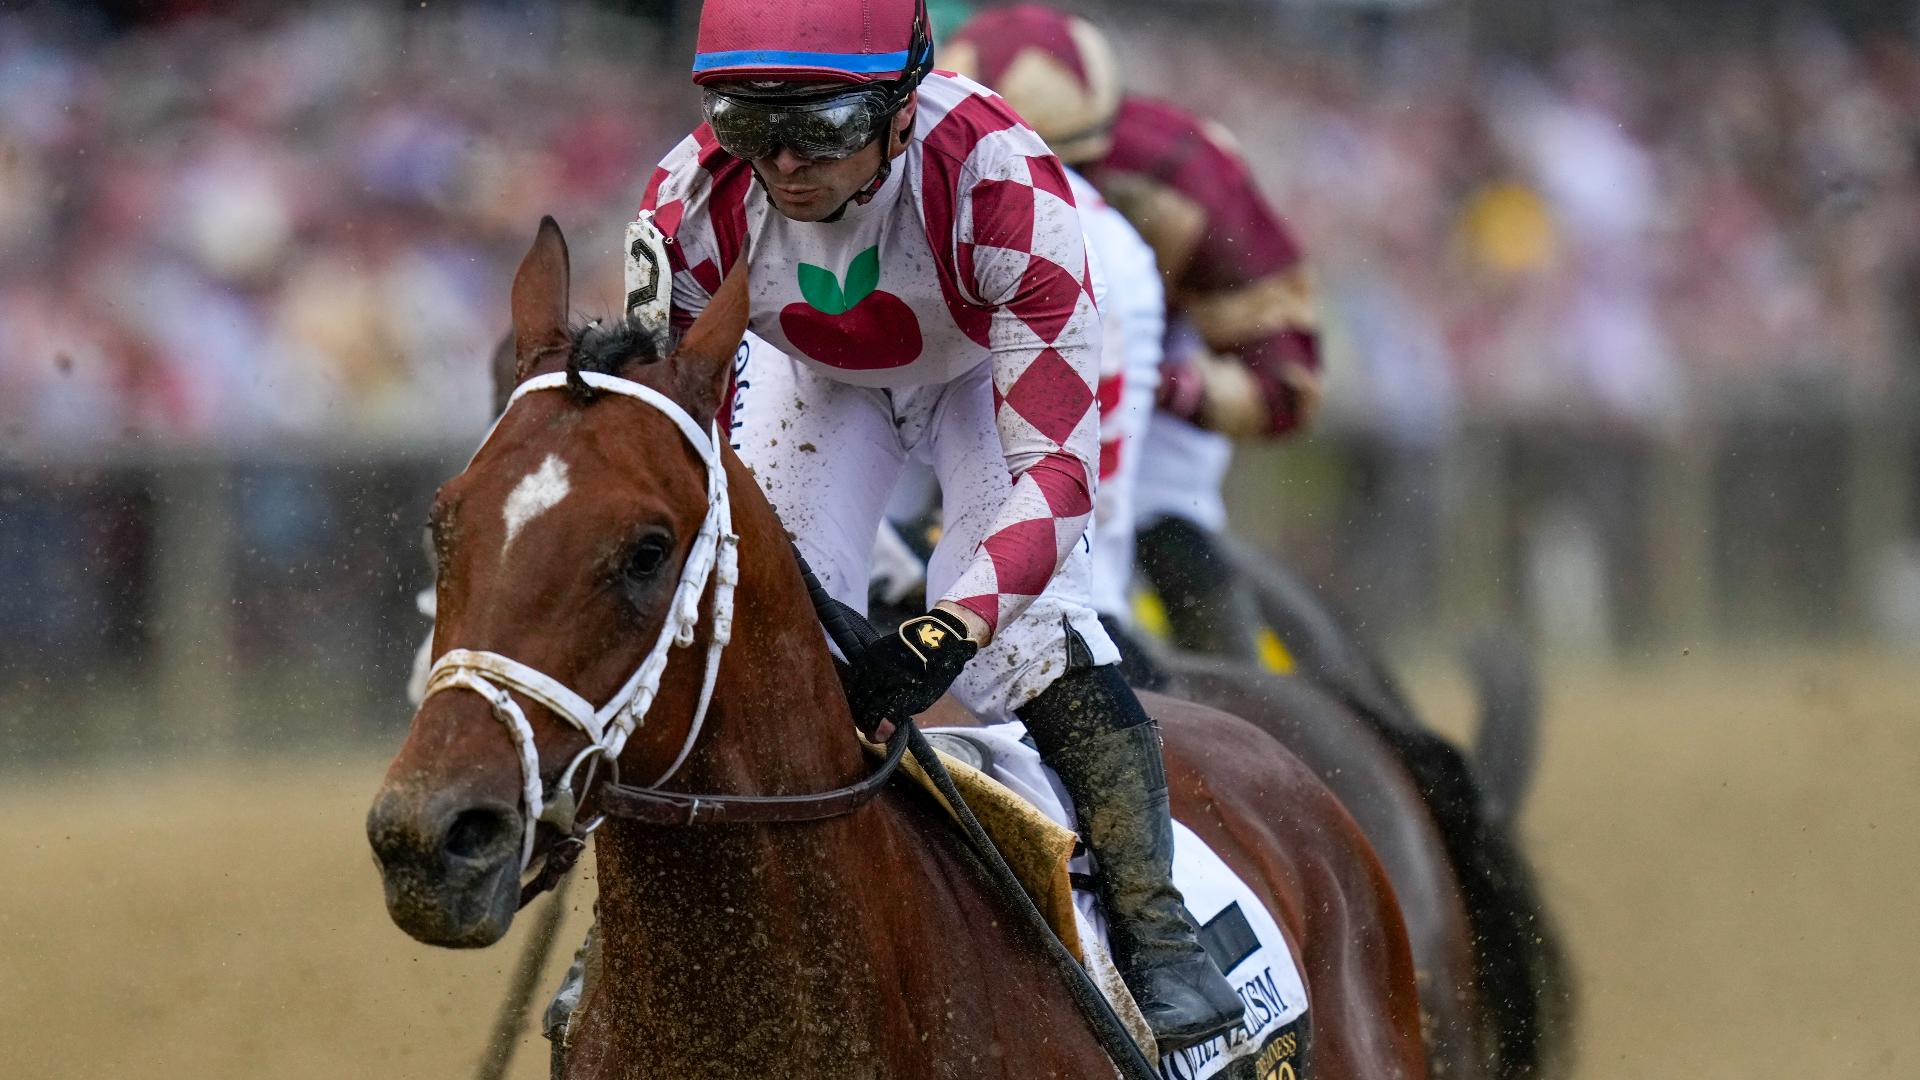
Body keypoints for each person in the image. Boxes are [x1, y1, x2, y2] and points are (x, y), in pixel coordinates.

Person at [609, 0, 1244, 1054]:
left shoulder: (1005, 184)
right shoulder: (685, 200)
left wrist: (948, 628)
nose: (784, 163)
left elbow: (1053, 479)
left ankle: (1155, 928)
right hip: (820, 388)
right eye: (747, 120)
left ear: (904, 110)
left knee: (1026, 637)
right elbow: (669, 454)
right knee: (754, 632)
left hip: (978, 382)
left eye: (823, 125)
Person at [947, 5, 1324, 662]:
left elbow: (1288, 384)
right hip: (971, 360)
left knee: (1163, 526)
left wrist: (1166, 387)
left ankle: (1242, 698)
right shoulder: (914, 170)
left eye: (1062, 171)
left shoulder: (1192, 182)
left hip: (1149, 363)